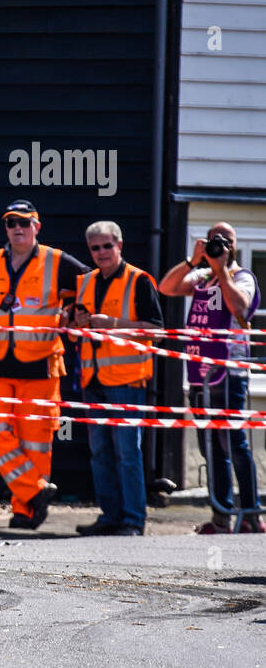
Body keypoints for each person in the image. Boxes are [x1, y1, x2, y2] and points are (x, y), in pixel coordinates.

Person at [0, 200, 88, 530]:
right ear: (5, 228)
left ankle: (26, 511)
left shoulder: (56, 261)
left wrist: (72, 311)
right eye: (11, 223)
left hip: (40, 366)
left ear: (37, 226)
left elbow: (91, 284)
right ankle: (36, 490)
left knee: (35, 444)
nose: (17, 228)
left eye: (24, 222)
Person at [158, 222, 263, 534]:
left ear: (233, 245)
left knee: (234, 443)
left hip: (229, 371)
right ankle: (221, 515)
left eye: (226, 241)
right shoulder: (202, 278)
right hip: (200, 372)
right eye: (215, 240)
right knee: (210, 446)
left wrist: (223, 269)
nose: (220, 245)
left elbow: (240, 307)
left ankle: (251, 514)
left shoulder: (242, 277)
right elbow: (167, 287)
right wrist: (194, 260)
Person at [70, 222, 162, 537]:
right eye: (95, 248)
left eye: (107, 246)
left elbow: (157, 331)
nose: (101, 253)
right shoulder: (85, 282)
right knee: (100, 453)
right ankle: (111, 516)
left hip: (127, 379)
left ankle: (133, 520)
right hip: (93, 378)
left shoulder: (139, 280)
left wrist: (113, 323)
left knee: (127, 452)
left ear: (119, 245)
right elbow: (74, 331)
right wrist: (78, 322)